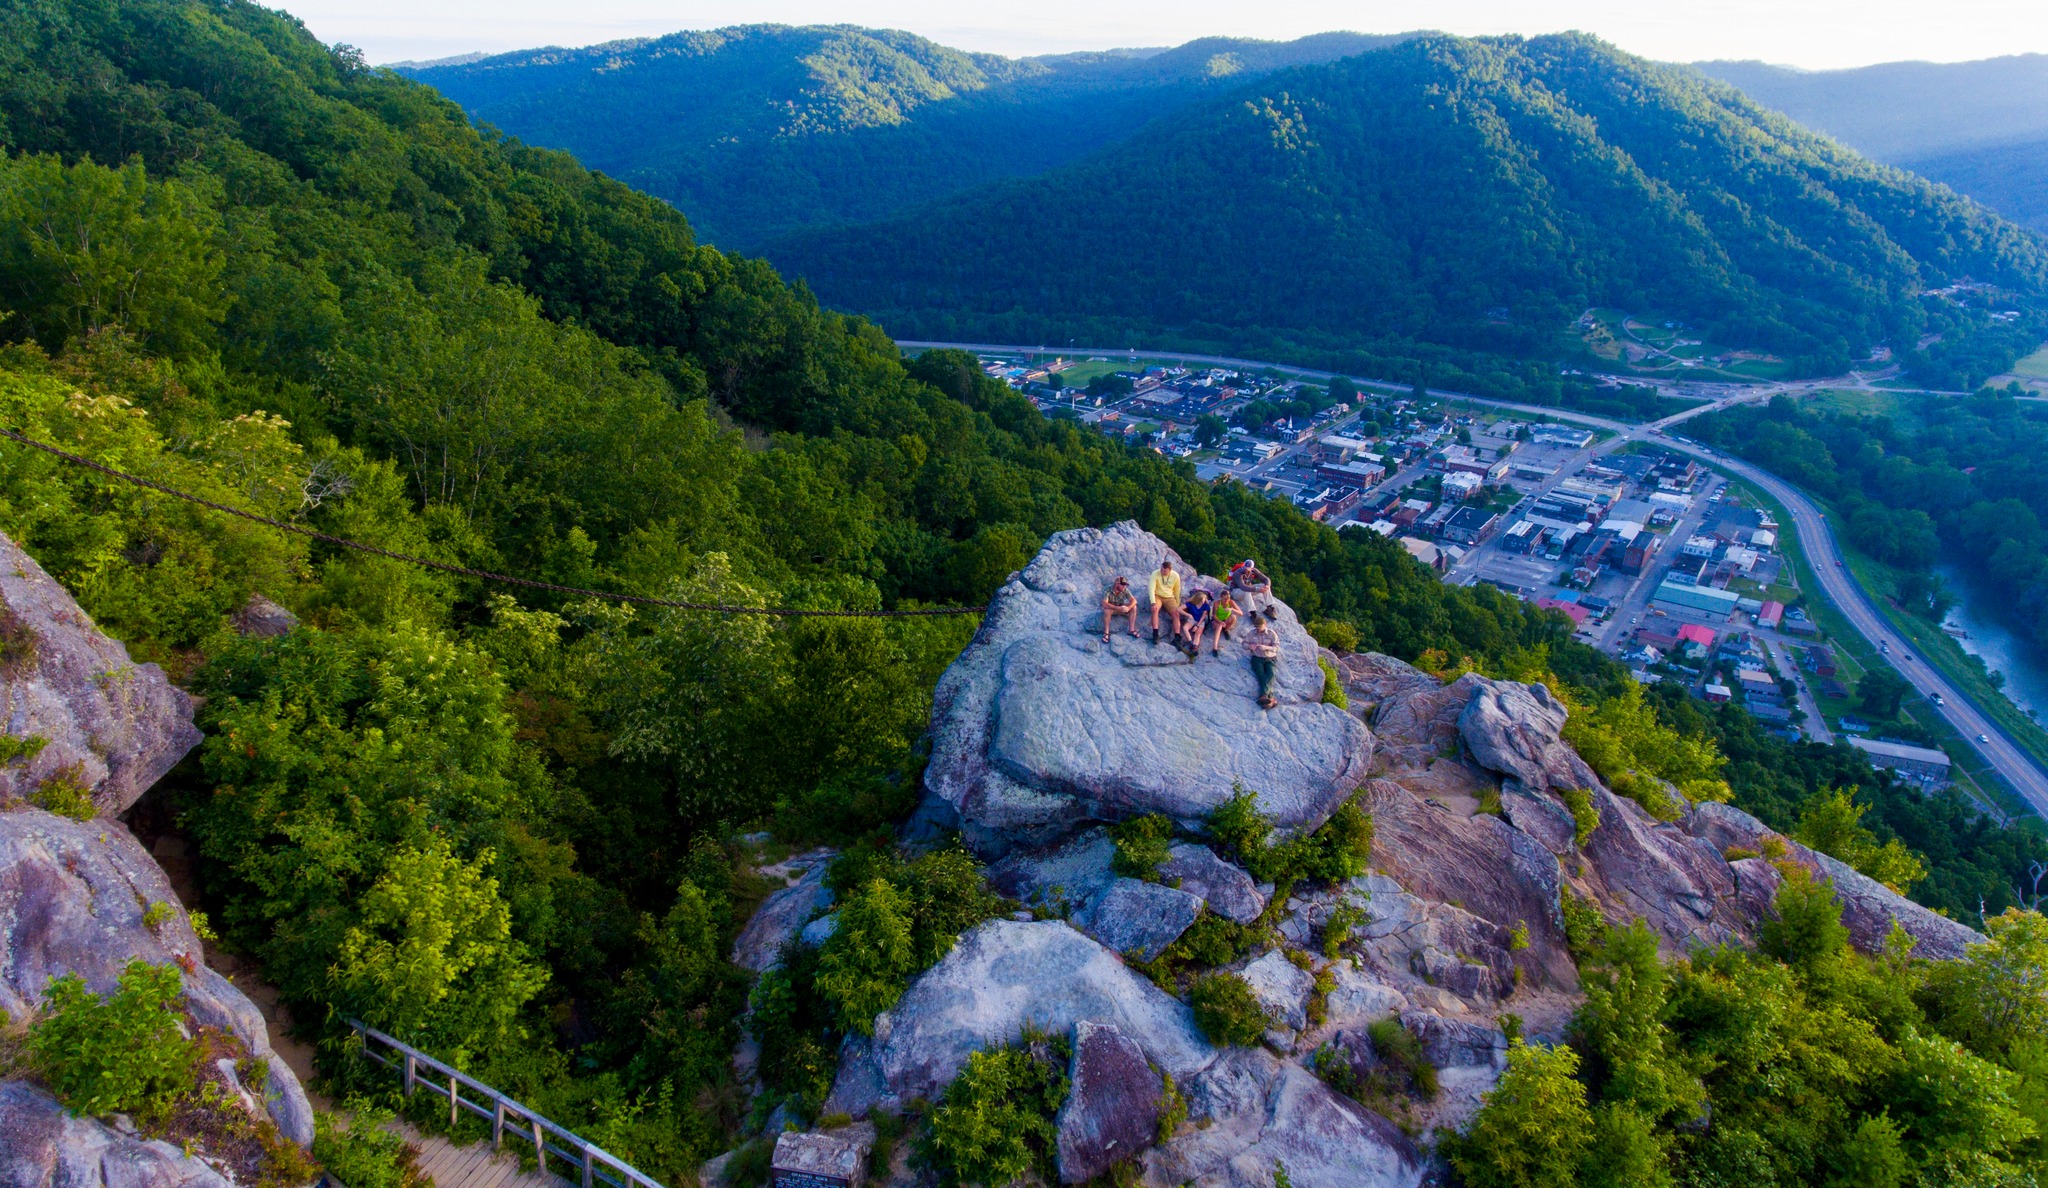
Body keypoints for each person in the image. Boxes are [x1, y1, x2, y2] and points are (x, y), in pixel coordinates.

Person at [1245, 612, 1281, 709]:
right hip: (1257, 658)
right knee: (1261, 675)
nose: (1257, 629)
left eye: (1259, 627)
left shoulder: (1271, 634)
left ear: (1265, 625)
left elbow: (1277, 647)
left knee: (1271, 674)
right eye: (1256, 627)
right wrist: (1250, 646)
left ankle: (1263, 697)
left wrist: (1266, 647)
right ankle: (1271, 699)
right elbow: (1243, 644)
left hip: (1270, 658)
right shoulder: (1251, 633)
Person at [1148, 560, 1184, 644]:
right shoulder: (1155, 573)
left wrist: (1177, 604)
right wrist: (1153, 602)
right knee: (1155, 609)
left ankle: (1177, 637)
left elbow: (1177, 590)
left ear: (1170, 570)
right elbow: (1151, 588)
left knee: (1176, 613)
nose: (1162, 572)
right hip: (1158, 595)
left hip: (1169, 597)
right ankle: (1155, 634)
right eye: (1161, 569)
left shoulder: (1175, 576)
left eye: (1164, 571)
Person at [1100, 576, 1139, 641]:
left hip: (1120, 607)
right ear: (1117, 584)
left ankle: (1131, 630)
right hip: (1111, 608)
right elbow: (1104, 603)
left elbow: (1134, 600)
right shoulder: (1107, 589)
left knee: (1134, 607)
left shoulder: (1124, 590)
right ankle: (1106, 633)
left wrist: (1128, 608)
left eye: (1125, 585)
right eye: (1122, 585)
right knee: (1106, 611)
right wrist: (1117, 608)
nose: (1124, 587)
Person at [1179, 589, 1213, 656]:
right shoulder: (1191, 604)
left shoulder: (1205, 606)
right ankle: (1190, 642)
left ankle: (1195, 647)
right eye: (1201, 601)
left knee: (1198, 634)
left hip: (1200, 621)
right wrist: (1188, 614)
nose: (1202, 603)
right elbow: (1179, 609)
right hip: (1192, 619)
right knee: (1185, 628)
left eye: (1203, 601)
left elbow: (1203, 616)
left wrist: (1197, 626)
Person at [1207, 591, 1240, 655]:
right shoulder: (1217, 603)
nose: (1227, 600)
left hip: (1226, 620)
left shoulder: (1231, 602)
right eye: (1225, 599)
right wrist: (1220, 621)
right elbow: (1214, 615)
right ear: (1221, 597)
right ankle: (1215, 647)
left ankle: (1226, 630)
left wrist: (1232, 609)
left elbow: (1241, 613)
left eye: (1228, 598)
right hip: (1217, 621)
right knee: (1219, 626)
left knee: (1233, 617)